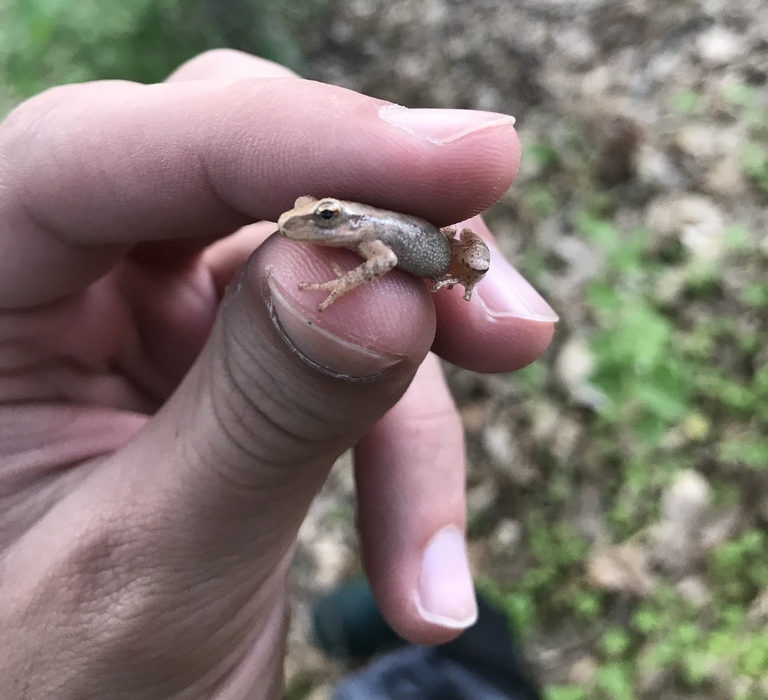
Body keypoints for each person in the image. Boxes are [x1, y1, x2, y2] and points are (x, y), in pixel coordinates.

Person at [0, 49, 557, 699]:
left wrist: (349, 282)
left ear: (341, 220)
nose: (307, 226)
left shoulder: (367, 235)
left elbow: (377, 266)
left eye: (320, 218)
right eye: (311, 216)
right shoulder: (356, 229)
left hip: (436, 260)